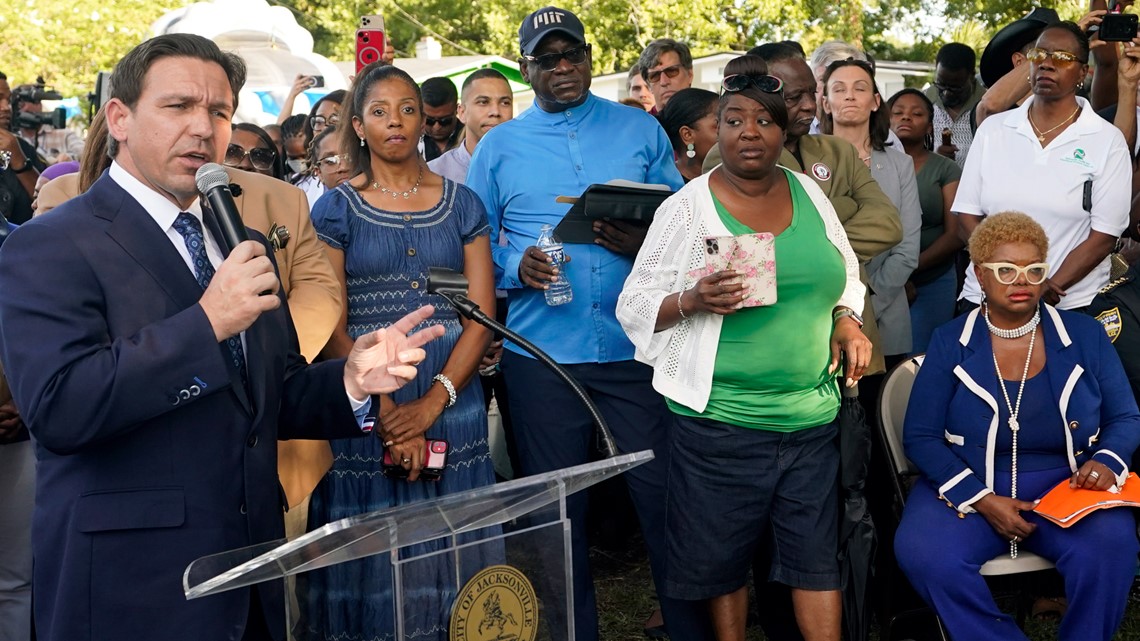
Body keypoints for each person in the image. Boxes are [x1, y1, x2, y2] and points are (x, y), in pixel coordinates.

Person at [0, 33, 443, 641]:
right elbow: (61, 409)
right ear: (119, 118)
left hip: (250, 572)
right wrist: (206, 324)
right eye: (178, 106)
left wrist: (350, 382)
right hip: (133, 588)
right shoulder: (49, 244)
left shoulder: (239, 240)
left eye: (218, 111)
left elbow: (271, 394)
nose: (203, 128)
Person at [466, 6, 708, 641]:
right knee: (557, 513)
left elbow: (682, 220)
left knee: (663, 495)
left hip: (637, 348)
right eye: (547, 59)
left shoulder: (639, 128)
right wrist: (515, 264)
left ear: (590, 58)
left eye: (571, 53)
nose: (563, 67)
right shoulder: (498, 148)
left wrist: (643, 240)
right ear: (526, 70)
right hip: (544, 358)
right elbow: (475, 242)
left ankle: (686, 627)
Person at [619, 54, 870, 641]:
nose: (749, 132)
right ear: (717, 132)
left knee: (814, 560)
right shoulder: (687, 208)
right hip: (719, 425)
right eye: (733, 121)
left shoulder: (810, 193)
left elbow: (846, 271)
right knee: (720, 561)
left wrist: (847, 319)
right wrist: (692, 299)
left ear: (783, 132)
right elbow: (634, 304)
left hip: (811, 419)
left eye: (763, 121)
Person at [298, 62, 497, 641]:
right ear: (358, 126)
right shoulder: (335, 209)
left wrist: (434, 402)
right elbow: (328, 320)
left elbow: (480, 316)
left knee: (450, 534)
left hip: (451, 396)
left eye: (407, 109)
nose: (396, 121)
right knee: (372, 541)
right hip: (364, 400)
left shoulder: (463, 204)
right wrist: (384, 412)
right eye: (380, 111)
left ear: (423, 120)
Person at [895, 211, 1140, 641]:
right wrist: (983, 499)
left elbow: (1125, 416)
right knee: (925, 553)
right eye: (1005, 270)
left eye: (1033, 270)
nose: (1021, 281)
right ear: (979, 274)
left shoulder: (1085, 335)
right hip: (970, 481)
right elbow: (920, 436)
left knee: (1111, 547)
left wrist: (1106, 460)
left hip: (1068, 485)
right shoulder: (949, 340)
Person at [955, 22, 1131, 314]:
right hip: (986, 299)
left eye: (1062, 58)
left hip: (1068, 303)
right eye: (1039, 55)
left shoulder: (1106, 140)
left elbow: (1104, 237)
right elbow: (966, 216)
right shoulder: (994, 130)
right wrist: (1004, 277)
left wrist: (1046, 286)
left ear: (1083, 73)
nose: (1047, 64)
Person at [820, 58, 921, 362]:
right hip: (819, 312)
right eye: (839, 89)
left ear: (876, 102)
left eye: (860, 88)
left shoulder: (900, 164)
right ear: (825, 103)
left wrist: (867, 303)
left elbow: (907, 249)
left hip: (884, 311)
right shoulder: (807, 160)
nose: (850, 96)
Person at [887, 88, 963, 354]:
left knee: (920, 359)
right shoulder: (869, 165)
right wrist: (892, 275)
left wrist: (907, 269)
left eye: (917, 114)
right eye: (898, 112)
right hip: (879, 281)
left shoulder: (946, 168)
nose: (906, 118)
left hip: (933, 280)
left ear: (930, 126)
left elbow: (956, 234)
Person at [427, 68, 513, 184]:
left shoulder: (528, 165)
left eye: (505, 103)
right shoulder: (433, 174)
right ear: (462, 112)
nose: (495, 112)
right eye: (483, 102)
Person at [925, 43, 985, 167]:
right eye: (941, 84)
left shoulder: (987, 106)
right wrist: (935, 158)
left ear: (972, 76)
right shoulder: (923, 103)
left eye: (955, 87)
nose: (946, 93)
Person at [0, 71, 40, 224]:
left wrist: (19, 161)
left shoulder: (21, 147)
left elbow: (46, 202)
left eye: (8, 100)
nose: (6, 107)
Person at [656, 87, 719, 183]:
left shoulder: (735, 181)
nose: (729, 132)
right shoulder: (664, 186)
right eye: (718, 125)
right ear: (687, 135)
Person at [638, 38, 694, 112]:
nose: (664, 82)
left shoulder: (709, 116)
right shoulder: (641, 120)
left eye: (671, 71)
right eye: (655, 76)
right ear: (649, 85)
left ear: (690, 75)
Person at [420, 77, 461, 161]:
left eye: (444, 121)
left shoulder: (471, 138)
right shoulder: (411, 140)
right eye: (429, 121)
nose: (437, 127)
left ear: (457, 109)